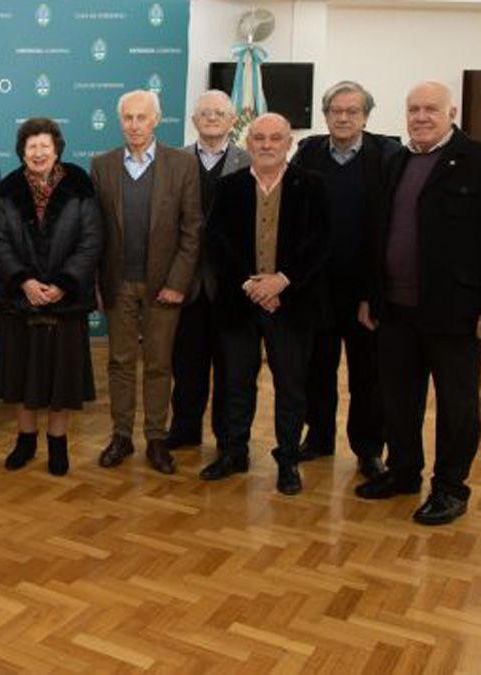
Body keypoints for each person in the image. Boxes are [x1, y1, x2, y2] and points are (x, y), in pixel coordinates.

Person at [357, 81, 481, 525]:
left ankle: (450, 487)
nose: (421, 116)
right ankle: (404, 470)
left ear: (452, 113)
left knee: (457, 406)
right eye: (414, 109)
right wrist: (371, 295)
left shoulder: (474, 161)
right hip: (394, 309)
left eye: (431, 109)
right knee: (398, 399)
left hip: (454, 312)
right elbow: (379, 234)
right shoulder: (398, 161)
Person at [204, 113, 330, 496]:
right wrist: (251, 283)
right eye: (259, 137)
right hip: (239, 303)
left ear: (289, 142)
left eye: (276, 138)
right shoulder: (229, 188)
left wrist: (281, 281)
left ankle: (288, 458)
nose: (267, 144)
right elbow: (218, 241)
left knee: (291, 387)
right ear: (248, 142)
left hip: (291, 304)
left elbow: (320, 242)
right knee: (236, 382)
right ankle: (233, 452)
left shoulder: (312, 186)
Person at [290, 81, 400, 480]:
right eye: (336, 110)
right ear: (325, 114)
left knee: (367, 376)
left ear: (366, 116)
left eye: (352, 111)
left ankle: (369, 449)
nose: (343, 117)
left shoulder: (386, 156)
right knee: (316, 370)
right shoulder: (307, 153)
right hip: (317, 288)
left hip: (364, 291)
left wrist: (375, 294)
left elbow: (388, 230)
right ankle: (318, 437)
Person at [90, 89, 202, 475]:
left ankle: (157, 437)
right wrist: (98, 284)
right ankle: (121, 436)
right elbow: (95, 232)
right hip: (118, 283)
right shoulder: (101, 166)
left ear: (157, 120)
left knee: (158, 364)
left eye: (142, 118)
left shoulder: (182, 165)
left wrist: (177, 282)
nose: (134, 125)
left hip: (163, 287)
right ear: (120, 121)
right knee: (119, 363)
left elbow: (192, 231)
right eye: (128, 118)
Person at [0, 118, 103, 476]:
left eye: (45, 147)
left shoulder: (80, 185)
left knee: (61, 379)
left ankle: (57, 445)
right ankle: (25, 442)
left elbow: (91, 240)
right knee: (21, 377)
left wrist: (63, 283)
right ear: (22, 152)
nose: (38, 153)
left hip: (66, 301)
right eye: (31, 147)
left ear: (57, 151)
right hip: (20, 300)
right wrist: (24, 282)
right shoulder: (6, 190)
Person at [166, 90, 250, 453]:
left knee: (233, 371)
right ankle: (185, 431)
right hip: (187, 285)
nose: (212, 118)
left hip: (232, 286)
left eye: (219, 113)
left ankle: (230, 440)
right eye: (205, 113)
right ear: (194, 121)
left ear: (233, 121)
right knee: (186, 366)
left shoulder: (250, 160)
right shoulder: (174, 161)